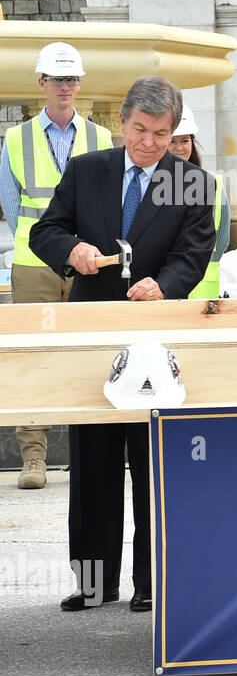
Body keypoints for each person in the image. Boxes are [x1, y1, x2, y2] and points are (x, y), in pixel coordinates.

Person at [28, 77, 215, 612]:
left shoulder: (191, 182)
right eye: (140, 130)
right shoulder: (89, 170)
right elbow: (47, 230)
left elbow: (194, 251)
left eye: (161, 133)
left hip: (156, 334)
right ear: (121, 123)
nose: (150, 142)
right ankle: (93, 582)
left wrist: (168, 284)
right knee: (91, 461)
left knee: (153, 460)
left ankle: (150, 583)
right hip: (93, 331)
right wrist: (73, 250)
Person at [1, 42, 113, 489]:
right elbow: (12, 206)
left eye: (71, 79)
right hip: (35, 263)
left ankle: (101, 452)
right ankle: (33, 456)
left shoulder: (101, 138)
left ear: (79, 84)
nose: (65, 87)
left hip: (87, 261)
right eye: (57, 79)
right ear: (41, 83)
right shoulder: (15, 138)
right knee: (35, 358)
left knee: (93, 352)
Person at [168, 104, 230, 299]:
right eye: (173, 141)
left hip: (203, 291)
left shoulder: (214, 185)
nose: (179, 147)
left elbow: (222, 241)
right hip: (162, 287)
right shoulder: (150, 184)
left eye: (185, 140)